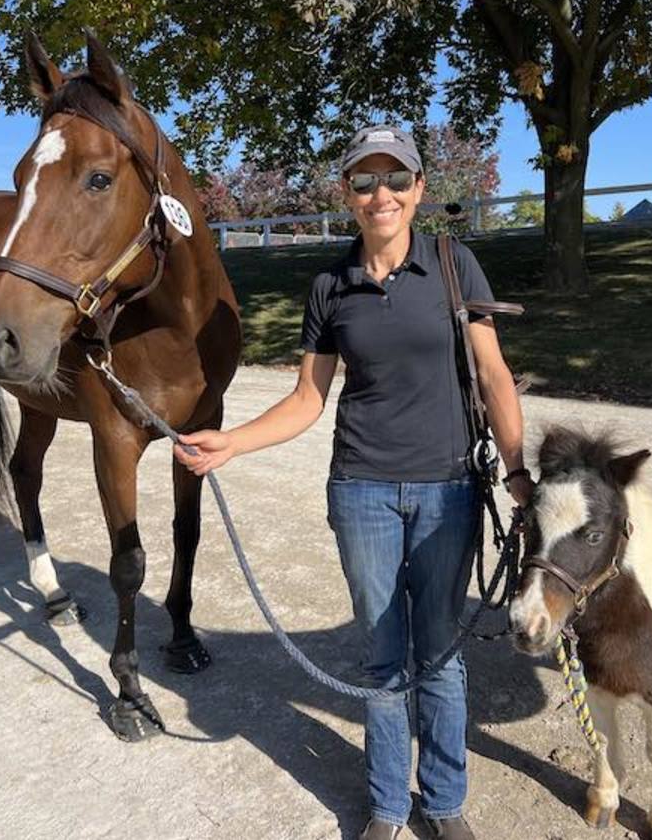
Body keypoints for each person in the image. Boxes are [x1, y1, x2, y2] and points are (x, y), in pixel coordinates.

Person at [174, 124, 533, 840]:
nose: (382, 194)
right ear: (347, 195)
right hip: (362, 491)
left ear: (419, 190)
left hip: (450, 491)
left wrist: (518, 468)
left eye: (396, 179)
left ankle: (444, 801)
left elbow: (493, 375)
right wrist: (231, 443)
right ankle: (387, 806)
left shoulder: (455, 266)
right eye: (366, 181)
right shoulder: (328, 286)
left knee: (438, 653)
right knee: (380, 656)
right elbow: (309, 399)